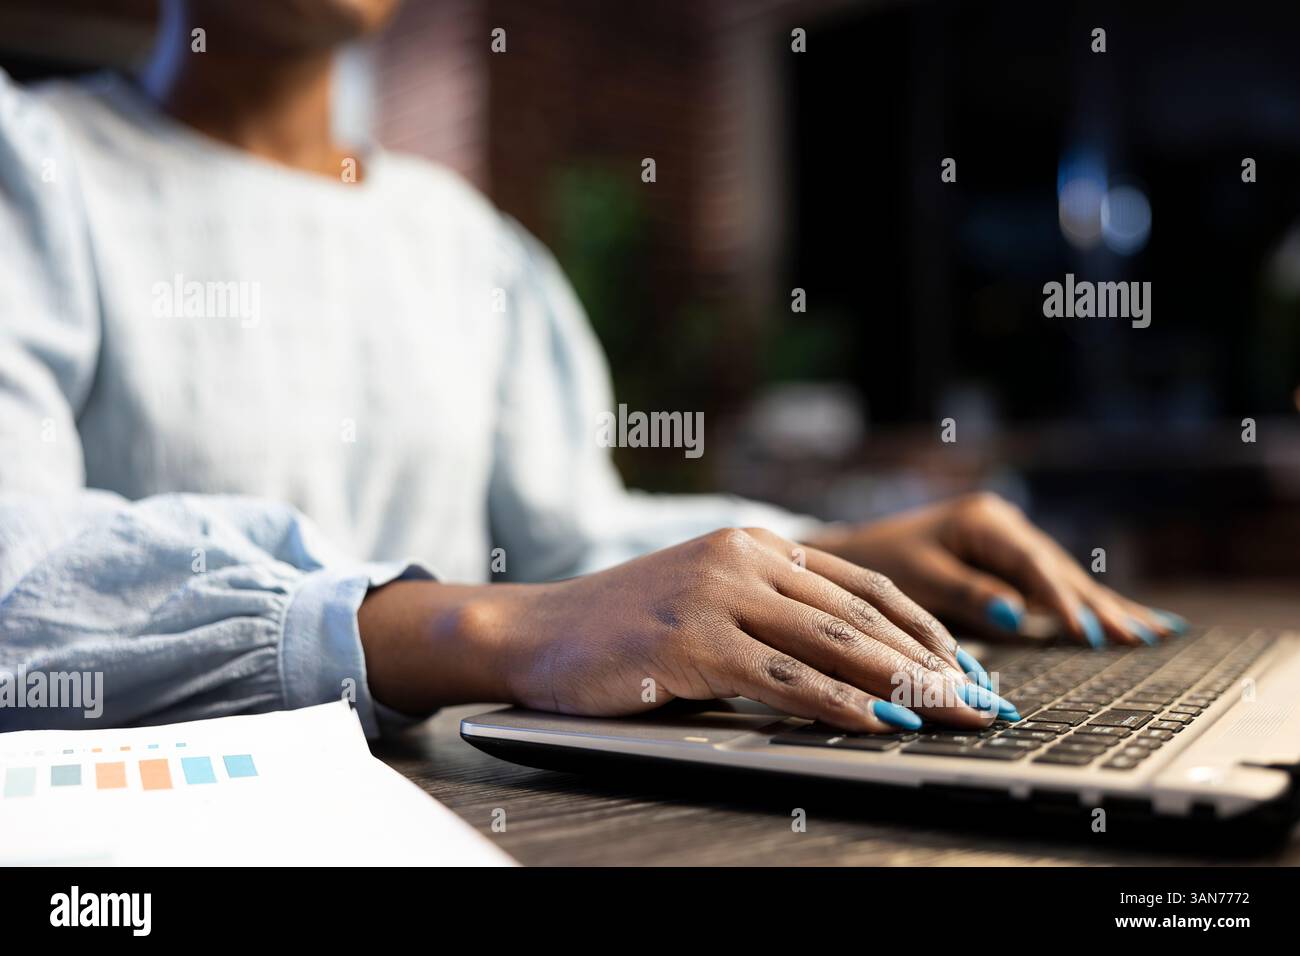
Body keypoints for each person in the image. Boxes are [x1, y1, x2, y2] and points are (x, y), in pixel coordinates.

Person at [0, 0, 1186, 738]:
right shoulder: (36, 169)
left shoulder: (464, 239)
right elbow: (20, 577)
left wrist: (818, 556)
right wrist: (483, 625)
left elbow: (564, 546)